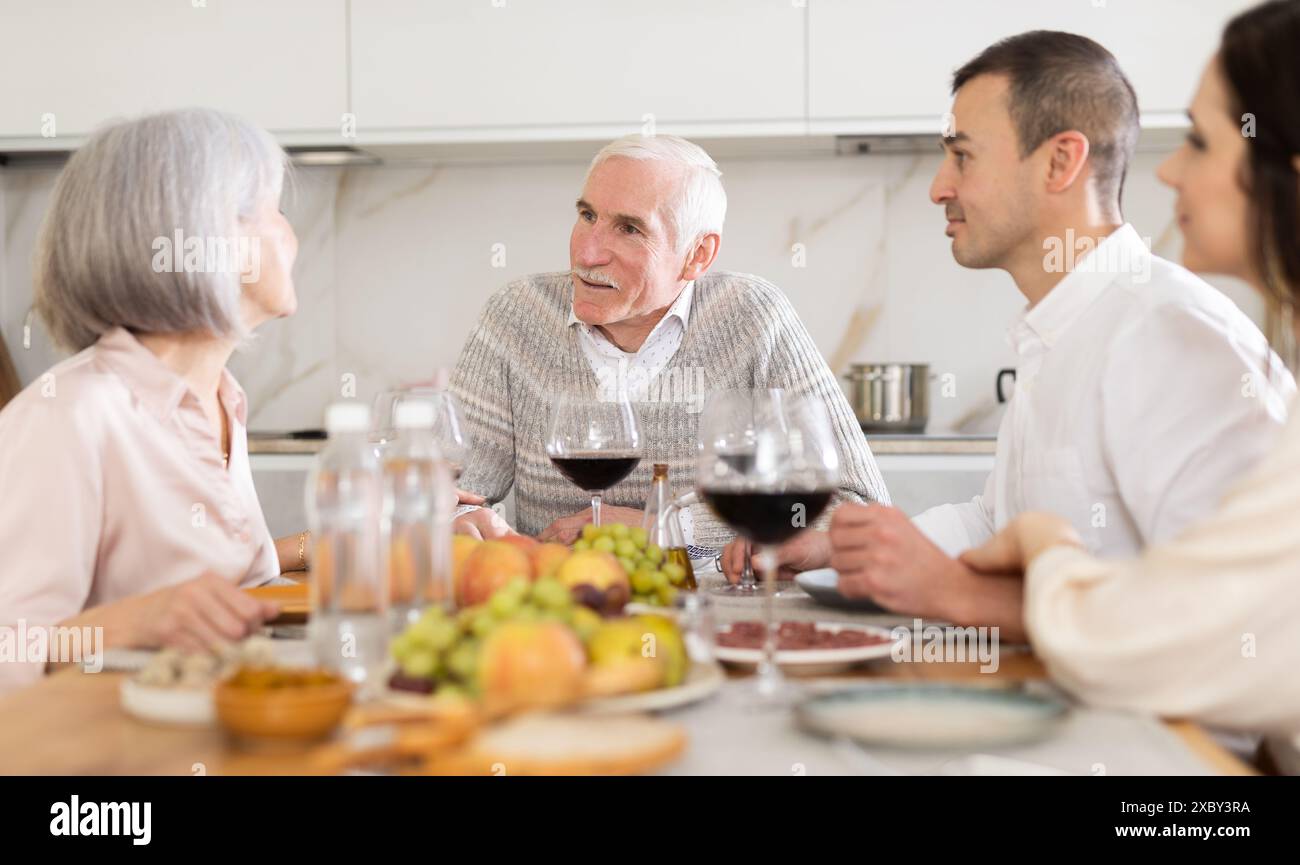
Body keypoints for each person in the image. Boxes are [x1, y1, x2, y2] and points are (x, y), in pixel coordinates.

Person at [723, 30, 1292, 641]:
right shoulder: (1062, 327)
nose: (939, 187)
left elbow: (1226, 615)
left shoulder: (1168, 333)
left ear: (1059, 162)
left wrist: (956, 592)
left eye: (962, 156)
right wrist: (836, 547)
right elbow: (997, 523)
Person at [961, 0, 1300, 767]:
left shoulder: (1168, 329)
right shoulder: (1058, 329)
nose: (1170, 169)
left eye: (1203, 141)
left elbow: (1191, 645)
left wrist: (1047, 551)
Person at [450, 134, 889, 547]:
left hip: (723, 615)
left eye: (630, 229)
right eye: (587, 216)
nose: (587, 254)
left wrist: (666, 526)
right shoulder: (516, 314)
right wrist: (456, 520)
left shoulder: (752, 317)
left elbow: (861, 511)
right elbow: (447, 494)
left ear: (698, 255)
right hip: (562, 615)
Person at [0, 109, 307, 691]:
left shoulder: (220, 402)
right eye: (273, 210)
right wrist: (127, 624)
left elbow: (233, 594)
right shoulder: (69, 417)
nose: (290, 235)